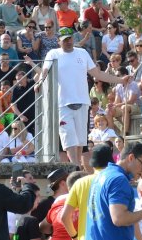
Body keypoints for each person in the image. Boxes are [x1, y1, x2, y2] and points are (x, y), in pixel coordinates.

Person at [41, 26, 129, 168]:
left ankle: (77, 167)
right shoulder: (53, 54)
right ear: (58, 41)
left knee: (81, 141)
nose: (68, 42)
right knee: (68, 139)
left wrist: (120, 80)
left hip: (83, 102)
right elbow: (44, 72)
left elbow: (98, 74)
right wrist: (39, 83)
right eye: (64, 40)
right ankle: (75, 167)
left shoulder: (82, 53)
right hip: (63, 103)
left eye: (70, 39)